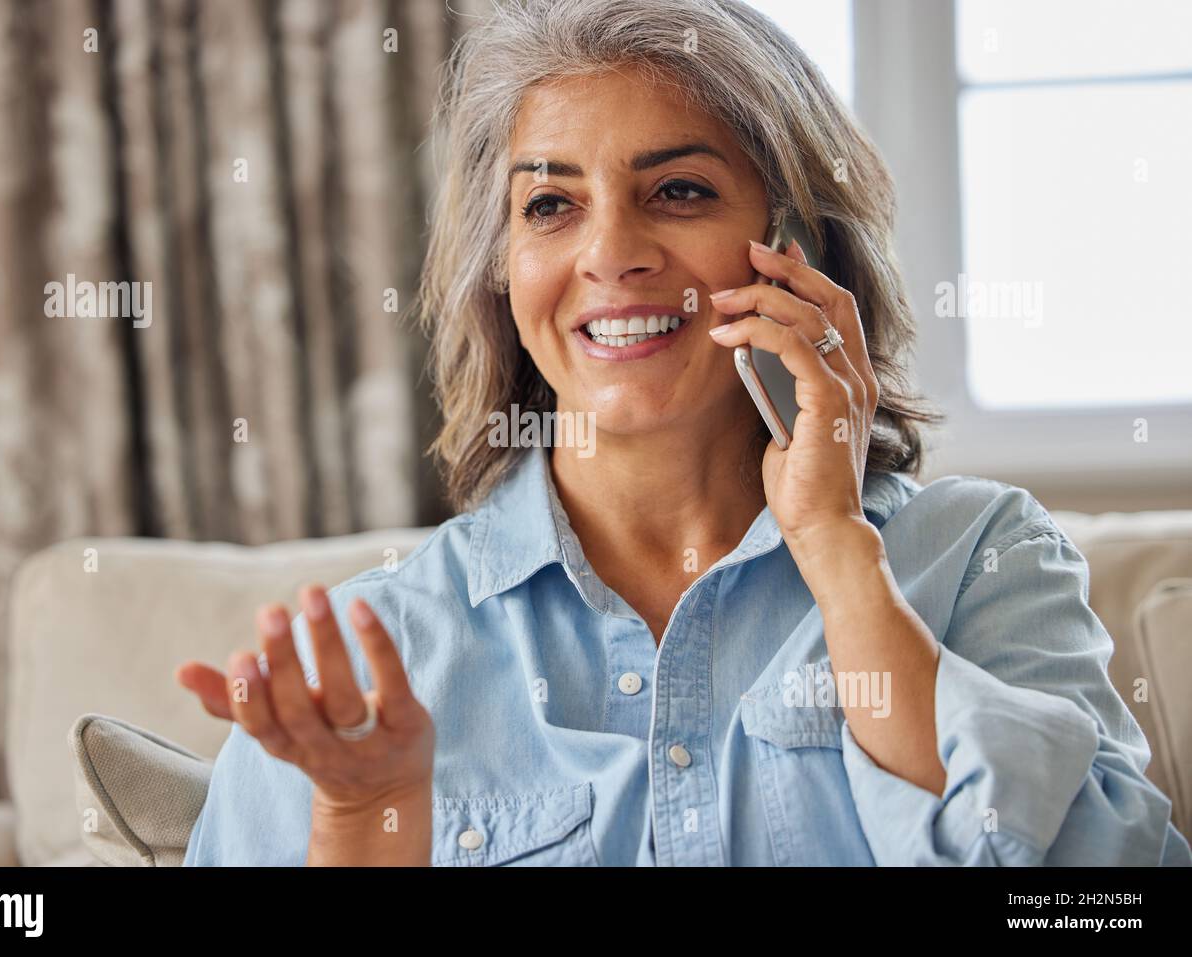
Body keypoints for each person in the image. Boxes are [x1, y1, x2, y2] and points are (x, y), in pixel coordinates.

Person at [176, 0, 1190, 866]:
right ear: (503, 267)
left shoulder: (980, 561)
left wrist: (836, 548)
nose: (610, 253)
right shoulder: (366, 655)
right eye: (549, 205)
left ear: (794, 250)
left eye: (678, 191)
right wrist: (360, 821)